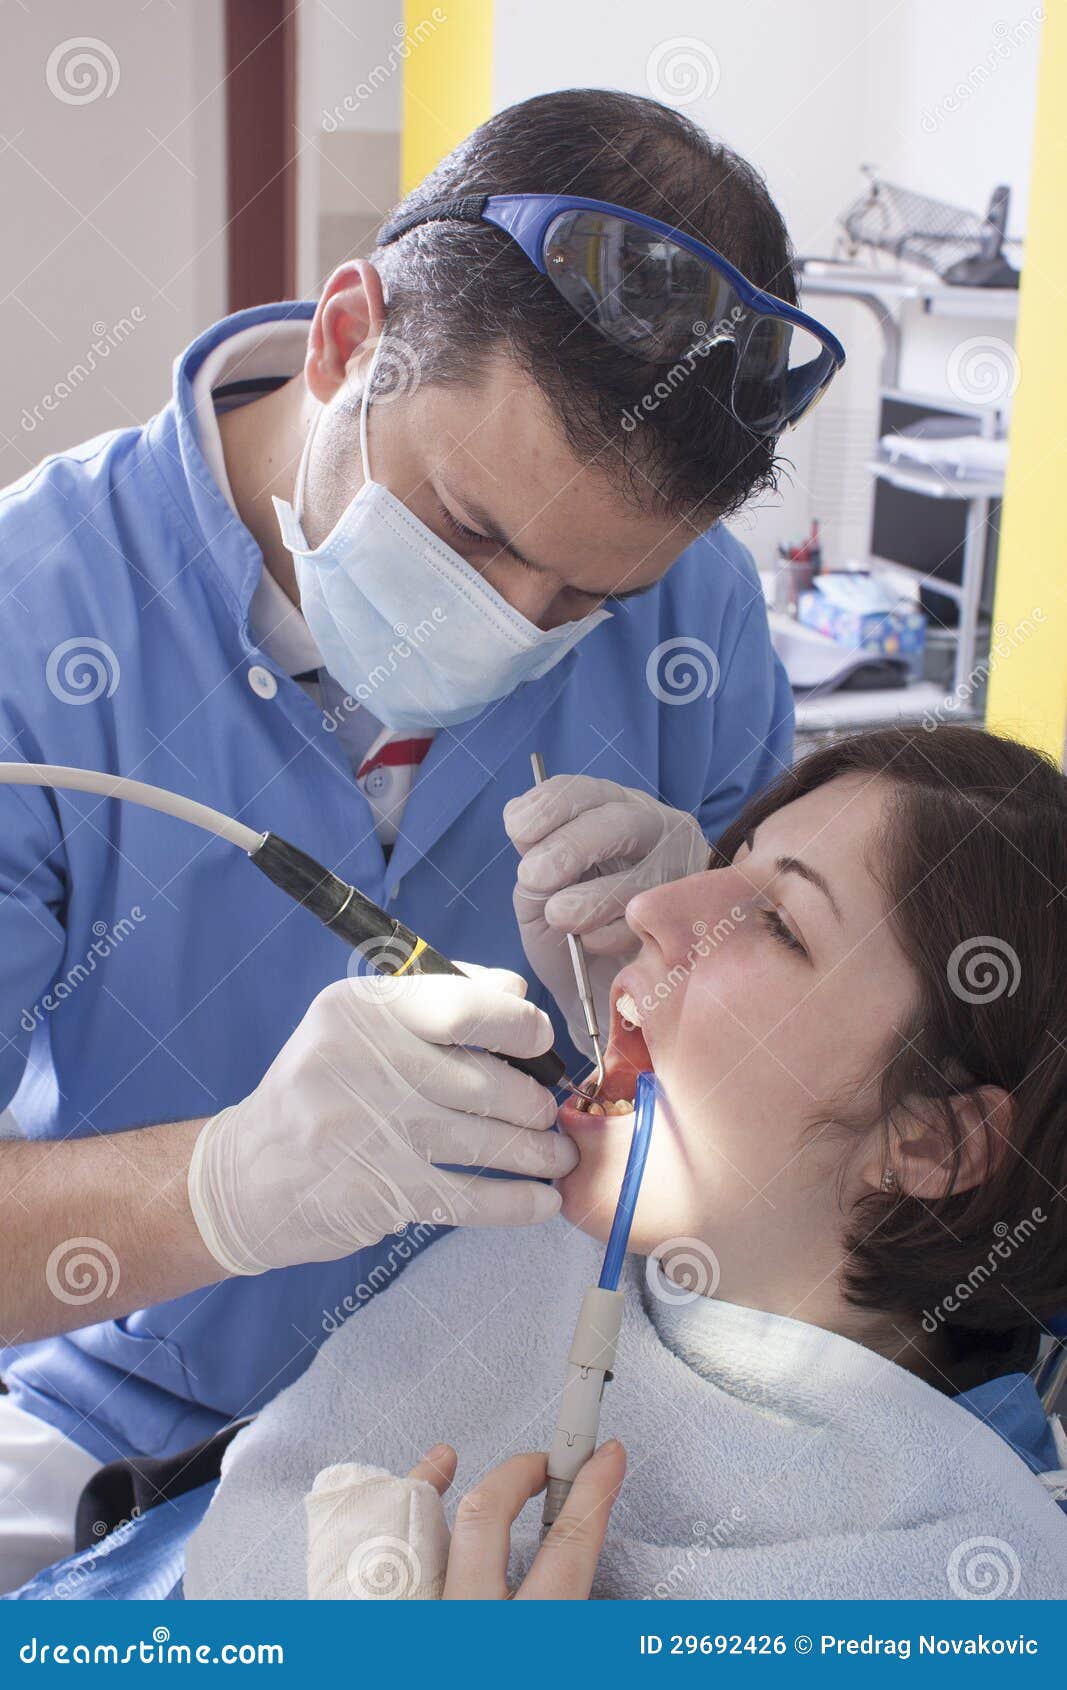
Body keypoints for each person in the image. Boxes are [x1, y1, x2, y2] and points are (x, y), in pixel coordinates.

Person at [0, 86, 822, 1589]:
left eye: (583, 601)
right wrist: (226, 1184)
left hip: (546, 1425)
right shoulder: (34, 627)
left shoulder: (691, 614)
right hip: (133, 1442)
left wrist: (695, 965)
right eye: (470, 533)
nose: (515, 628)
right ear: (344, 337)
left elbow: (818, 1111)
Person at [181, 726, 1067, 1601]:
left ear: (929, 1144)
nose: (652, 908)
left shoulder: (966, 1579)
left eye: (776, 923)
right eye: (731, 856)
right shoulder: (533, 1270)